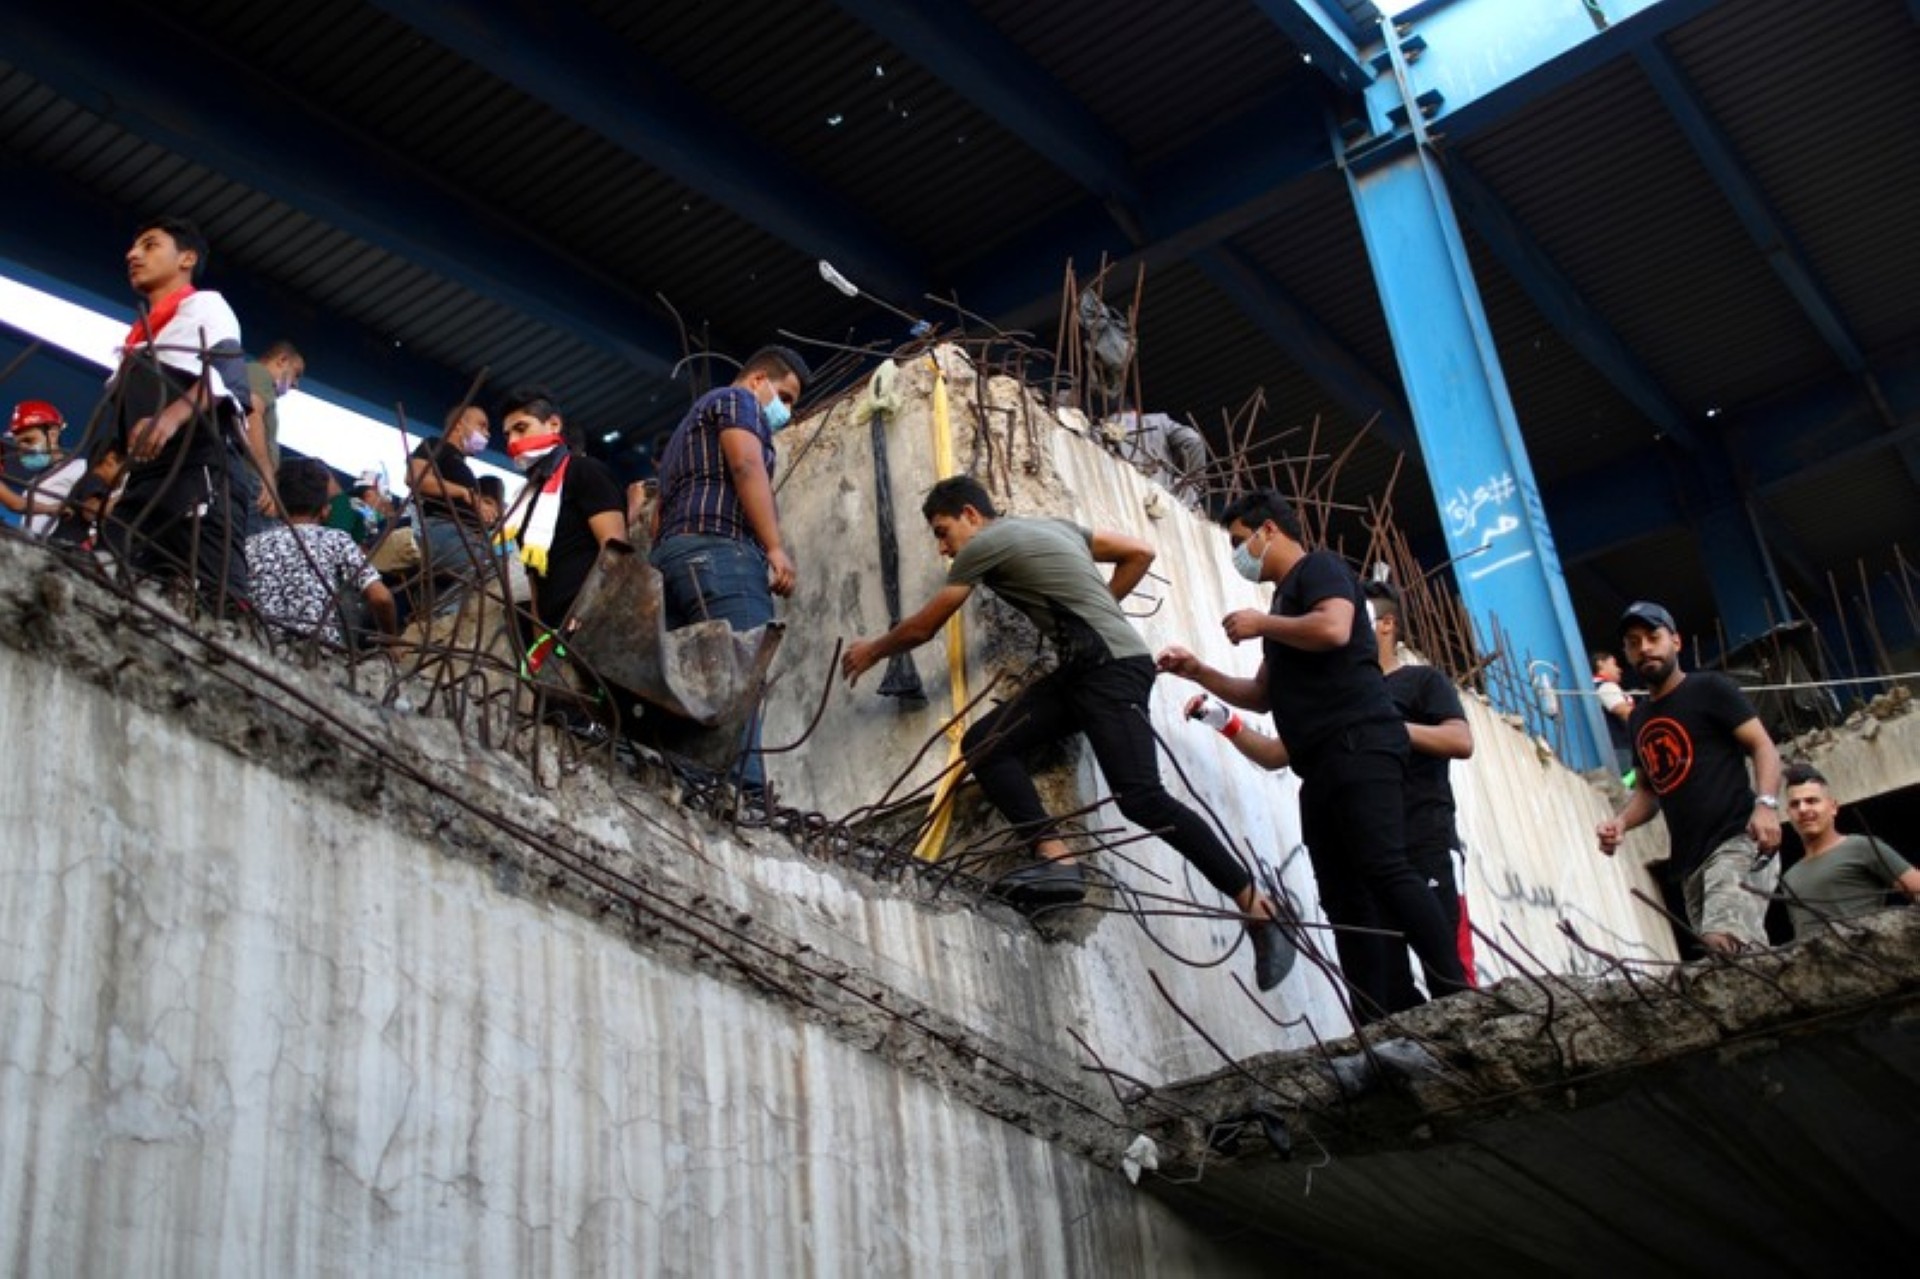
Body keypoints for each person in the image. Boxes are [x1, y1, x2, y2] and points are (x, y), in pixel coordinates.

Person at [842, 475, 1290, 992]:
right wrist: (1098, 606)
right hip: (1087, 669)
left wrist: (872, 650)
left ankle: (1257, 907)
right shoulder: (1052, 528)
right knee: (985, 742)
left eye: (943, 532)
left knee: (1141, 797)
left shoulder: (984, 544)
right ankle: (1057, 860)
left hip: (1109, 668)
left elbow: (924, 627)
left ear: (970, 514)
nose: (943, 548)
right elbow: (1139, 551)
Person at [1156, 490, 1467, 1023]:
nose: (1238, 555)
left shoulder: (1318, 569)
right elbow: (1260, 694)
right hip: (1318, 763)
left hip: (1359, 744)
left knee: (1386, 867)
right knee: (1344, 898)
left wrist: (1262, 625)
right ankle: (1379, 1016)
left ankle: (1454, 992)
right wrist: (1199, 671)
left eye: (1239, 541)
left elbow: (1333, 628)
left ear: (1269, 530)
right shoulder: (1282, 605)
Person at [650, 346, 811, 793]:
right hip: (722, 554)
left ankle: (692, 783)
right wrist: (775, 548)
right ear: (758, 379)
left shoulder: (686, 431)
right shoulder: (737, 401)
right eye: (785, 396)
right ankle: (746, 792)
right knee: (739, 673)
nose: (786, 411)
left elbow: (657, 517)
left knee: (687, 679)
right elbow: (744, 463)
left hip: (671, 560)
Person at [1596, 601, 1784, 955]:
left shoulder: (1710, 689)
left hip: (1737, 840)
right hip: (1689, 864)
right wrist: (1621, 822)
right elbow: (1649, 793)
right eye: (1634, 642)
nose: (1645, 648)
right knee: (1739, 963)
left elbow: (1764, 747)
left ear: (1676, 642)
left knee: (1722, 945)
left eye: (1653, 637)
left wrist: (1767, 805)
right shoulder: (1638, 719)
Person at [102, 215, 261, 613]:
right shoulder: (137, 342)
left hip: (200, 472)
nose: (133, 254)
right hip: (144, 484)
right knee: (106, 575)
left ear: (186, 258)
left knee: (219, 600)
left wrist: (170, 417)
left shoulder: (206, 307)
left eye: (150, 245)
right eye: (133, 247)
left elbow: (228, 378)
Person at [496, 387, 625, 635]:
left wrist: (591, 613)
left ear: (554, 424)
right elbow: (535, 585)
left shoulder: (584, 470)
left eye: (521, 429)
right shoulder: (527, 502)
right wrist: (539, 647)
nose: (512, 442)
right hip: (554, 635)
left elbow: (615, 549)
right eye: (507, 434)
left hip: (594, 624)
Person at [245, 457, 396, 646]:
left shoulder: (250, 545)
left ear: (276, 507)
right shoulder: (337, 540)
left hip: (258, 649)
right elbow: (381, 598)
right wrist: (391, 642)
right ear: (325, 510)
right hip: (317, 658)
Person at [1778, 765, 1919, 939]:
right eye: (1795, 804)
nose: (1803, 809)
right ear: (1788, 814)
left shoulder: (1862, 847)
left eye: (1812, 801)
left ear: (1833, 807)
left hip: (1869, 961)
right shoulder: (1789, 877)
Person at [406, 402, 493, 597]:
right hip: (440, 530)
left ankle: (443, 617)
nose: (487, 434)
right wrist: (466, 493)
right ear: (459, 424)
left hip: (462, 538)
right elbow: (415, 478)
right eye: (482, 425)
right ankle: (445, 619)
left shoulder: (462, 465)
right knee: (489, 571)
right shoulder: (436, 445)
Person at [0, 400, 92, 544]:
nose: (22, 449)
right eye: (18, 444)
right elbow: (15, 504)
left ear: (52, 434)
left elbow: (96, 515)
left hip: (62, 558)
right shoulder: (34, 482)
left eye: (29, 440)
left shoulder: (81, 468)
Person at [237, 340, 304, 535]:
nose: (296, 384)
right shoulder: (259, 373)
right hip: (251, 479)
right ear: (282, 360)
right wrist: (267, 476)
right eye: (296, 374)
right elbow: (251, 415)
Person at [1592, 651, 1636, 778]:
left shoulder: (1593, 686)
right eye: (1614, 664)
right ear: (1601, 664)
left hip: (1614, 748)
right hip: (1620, 749)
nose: (1619, 670)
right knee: (1629, 783)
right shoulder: (1606, 687)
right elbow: (1623, 711)